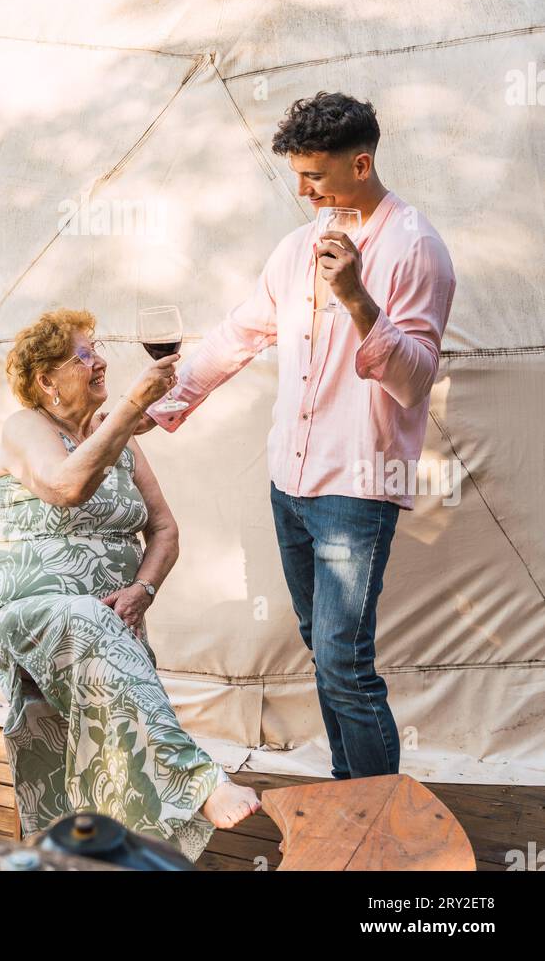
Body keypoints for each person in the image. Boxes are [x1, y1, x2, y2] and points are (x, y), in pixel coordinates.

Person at [137, 91, 457, 782]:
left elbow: (414, 381)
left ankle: (379, 818)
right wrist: (165, 404)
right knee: (321, 646)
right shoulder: (296, 248)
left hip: (357, 486)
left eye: (314, 176)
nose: (303, 190)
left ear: (362, 164)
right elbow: (239, 335)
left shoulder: (416, 248)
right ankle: (352, 795)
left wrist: (357, 300)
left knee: (345, 662)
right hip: (291, 479)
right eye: (299, 176)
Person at [0, 307, 259, 861]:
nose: (101, 360)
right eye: (84, 355)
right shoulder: (26, 428)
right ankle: (197, 780)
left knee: (96, 632)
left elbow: (164, 529)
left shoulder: (122, 444)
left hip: (112, 625)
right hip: (33, 617)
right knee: (83, 615)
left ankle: (101, 850)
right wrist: (133, 404)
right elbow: (65, 487)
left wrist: (144, 590)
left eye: (97, 348)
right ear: (47, 380)